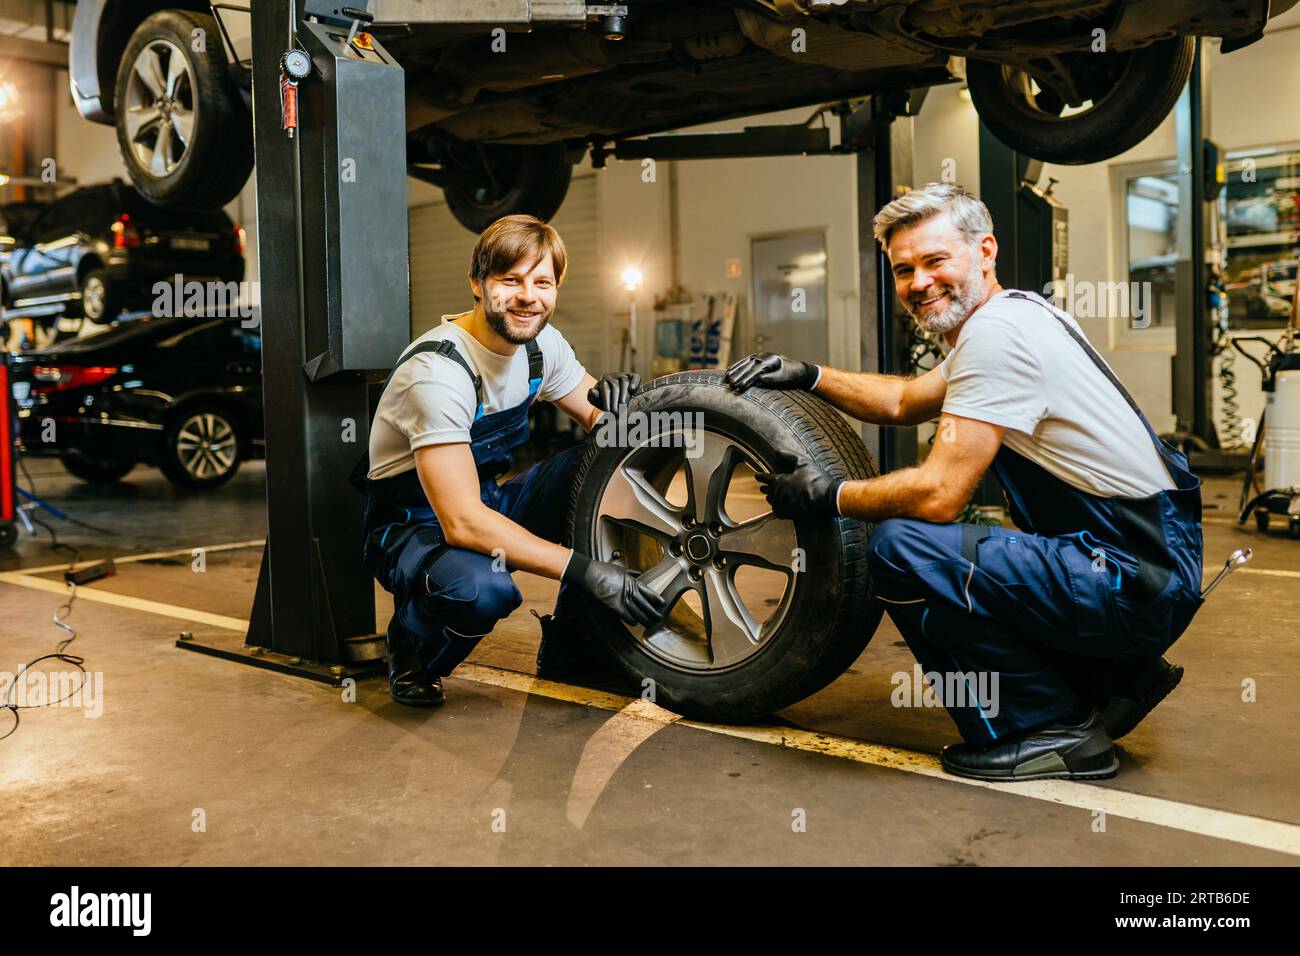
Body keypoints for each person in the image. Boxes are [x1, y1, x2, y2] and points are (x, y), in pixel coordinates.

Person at [724, 183, 1202, 781]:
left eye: (934, 260)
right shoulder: (1015, 315)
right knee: (958, 551)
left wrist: (829, 495)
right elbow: (903, 399)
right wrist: (809, 374)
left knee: (904, 549)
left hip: (1129, 575)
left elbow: (939, 496)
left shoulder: (998, 336)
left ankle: (1044, 728)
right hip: (1140, 561)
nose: (919, 282)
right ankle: (1112, 676)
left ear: (985, 251)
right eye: (904, 270)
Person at [353, 214, 665, 706]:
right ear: (477, 284)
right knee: (482, 590)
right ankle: (412, 648)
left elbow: (614, 435)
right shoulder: (437, 372)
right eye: (510, 280)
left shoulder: (541, 347)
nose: (528, 297)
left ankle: (573, 644)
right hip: (414, 524)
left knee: (615, 462)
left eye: (542, 282)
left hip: (486, 498)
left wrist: (624, 402)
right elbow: (461, 523)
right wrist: (585, 570)